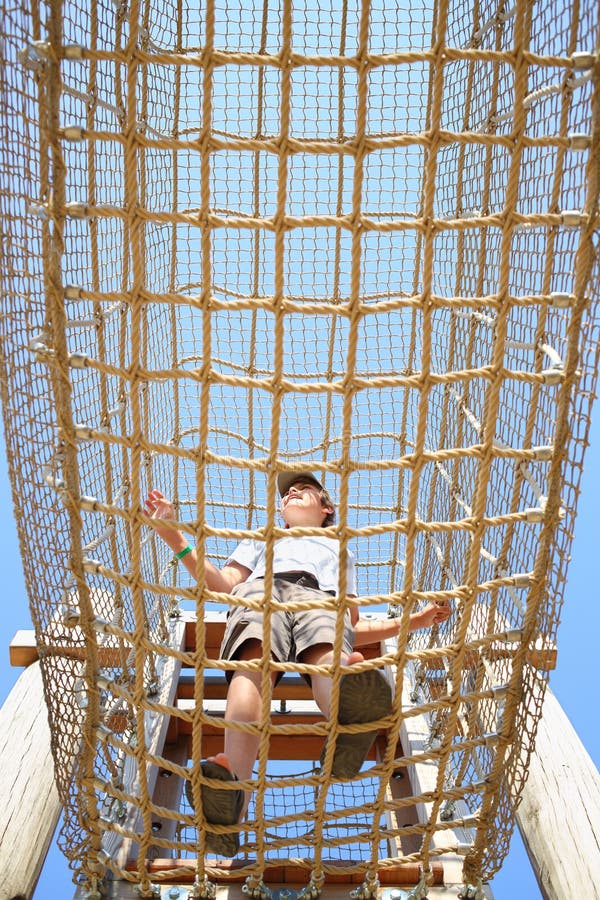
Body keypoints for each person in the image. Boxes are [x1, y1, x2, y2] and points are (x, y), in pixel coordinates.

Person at [144, 472, 450, 856]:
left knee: (332, 652)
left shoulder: (341, 549)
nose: (291, 492)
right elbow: (222, 584)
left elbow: (352, 623)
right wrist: (175, 536)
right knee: (251, 665)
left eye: (302, 489)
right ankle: (230, 791)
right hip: (262, 592)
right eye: (287, 491)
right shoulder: (263, 537)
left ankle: (346, 711)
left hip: (319, 598)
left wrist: (416, 621)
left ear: (326, 509)